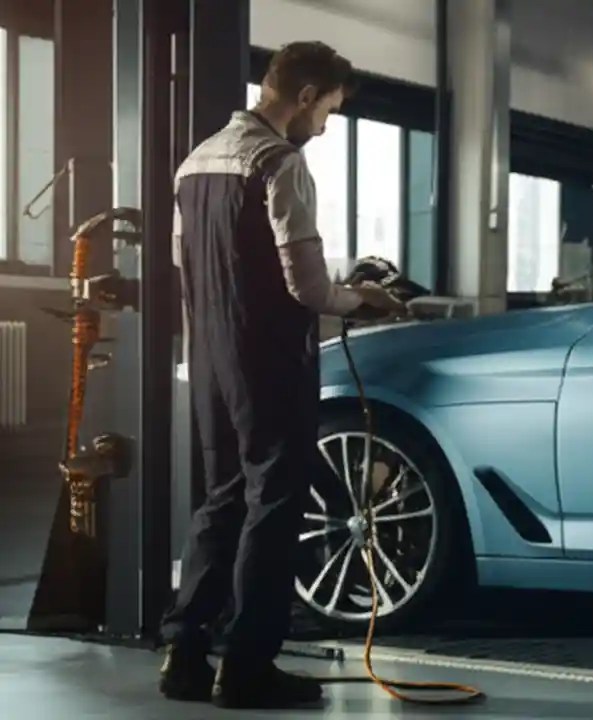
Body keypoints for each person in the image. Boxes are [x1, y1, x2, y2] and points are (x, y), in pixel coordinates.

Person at [157, 41, 403, 709]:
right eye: (328, 110)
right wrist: (364, 298)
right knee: (274, 503)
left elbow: (188, 268)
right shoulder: (280, 162)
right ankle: (246, 665)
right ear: (304, 97)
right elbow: (308, 287)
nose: (326, 125)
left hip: (210, 354)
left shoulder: (194, 162)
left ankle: (183, 654)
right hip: (268, 356)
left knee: (221, 498)